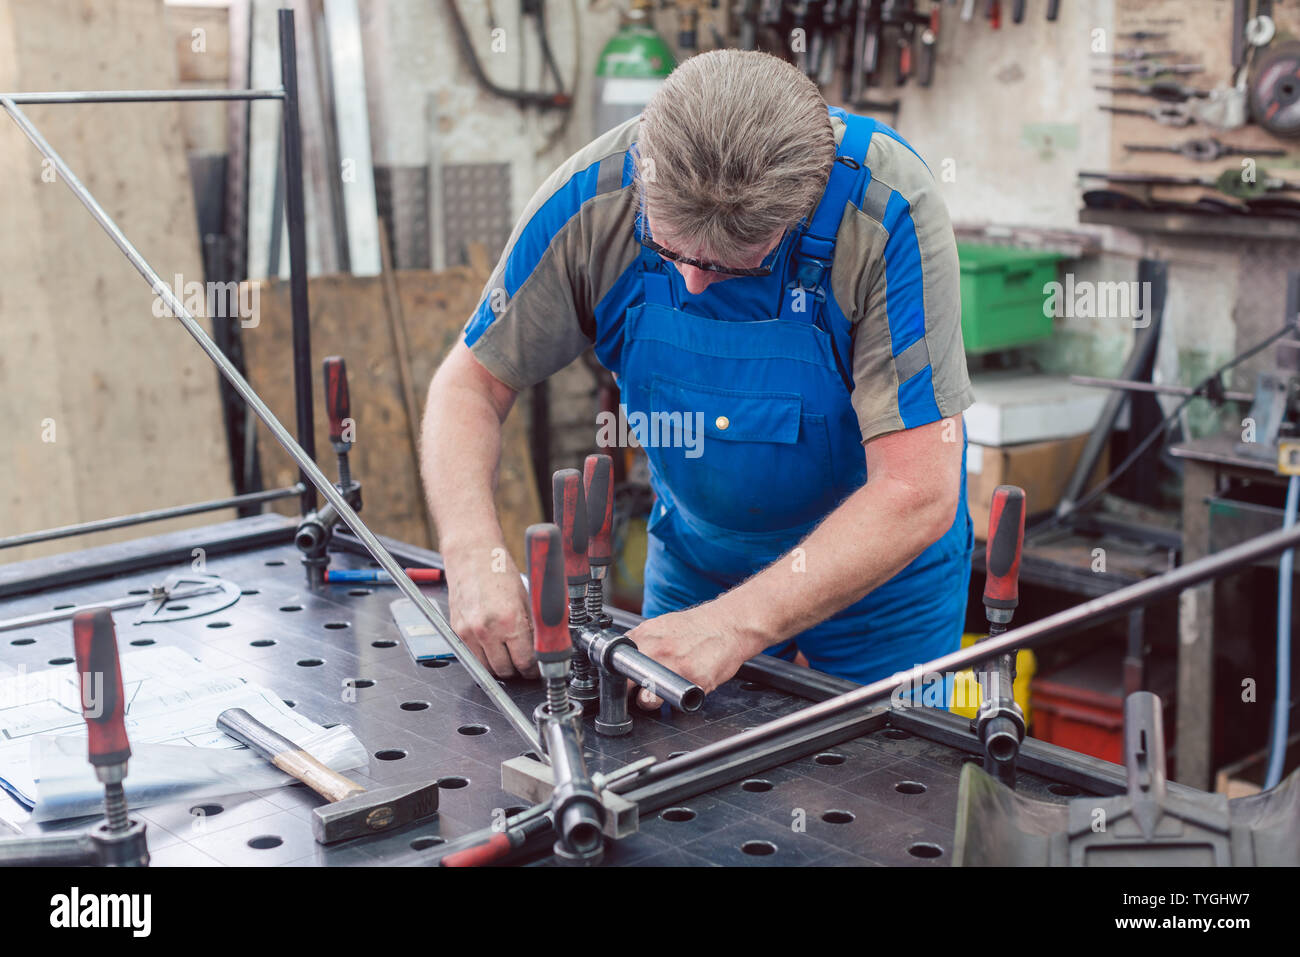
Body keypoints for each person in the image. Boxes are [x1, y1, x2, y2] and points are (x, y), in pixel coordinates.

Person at [422, 49, 974, 709]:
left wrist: (735, 626)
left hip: (883, 589)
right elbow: (468, 386)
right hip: (698, 567)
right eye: (668, 249)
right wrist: (472, 558)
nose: (691, 282)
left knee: (886, 790)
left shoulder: (883, 211)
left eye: (728, 266)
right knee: (678, 791)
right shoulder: (593, 199)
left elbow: (918, 487)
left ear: (797, 213)